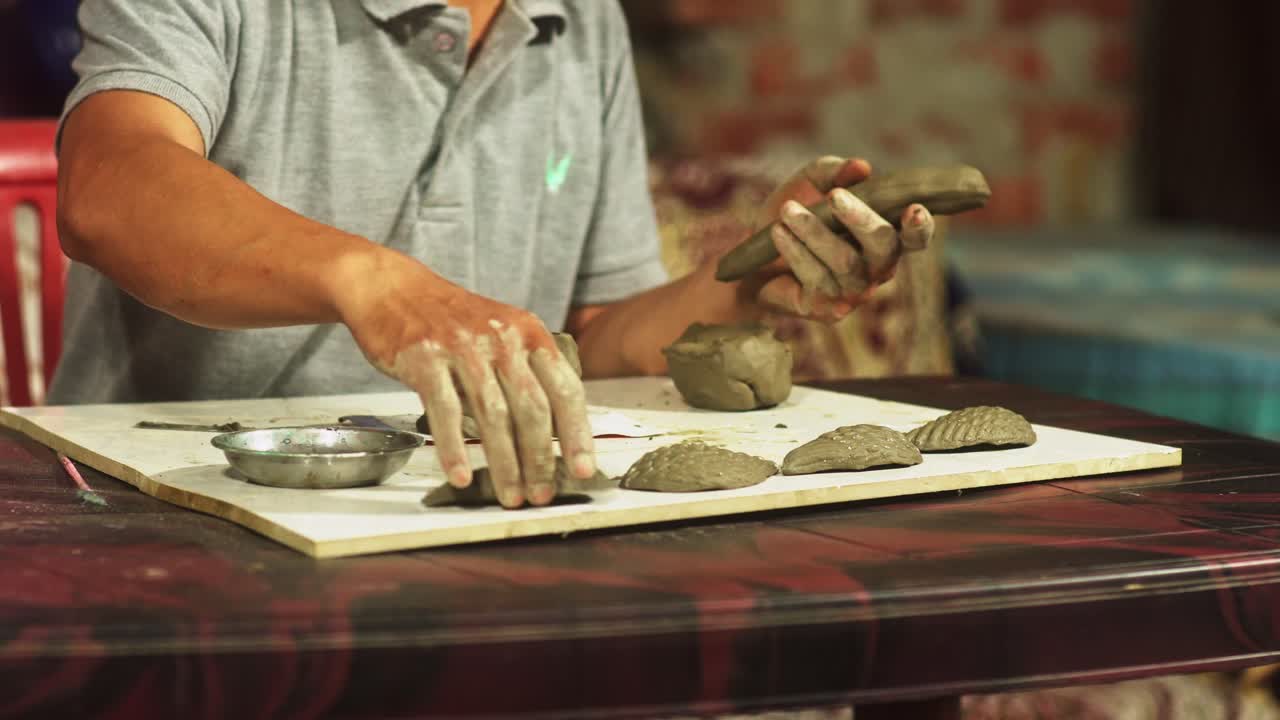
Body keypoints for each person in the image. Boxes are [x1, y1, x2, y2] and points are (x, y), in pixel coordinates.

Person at [52, 0, 934, 509]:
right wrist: (379, 284)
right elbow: (107, 189)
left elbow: (596, 336)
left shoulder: (580, 17)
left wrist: (745, 280)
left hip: (455, 520)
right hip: (174, 517)